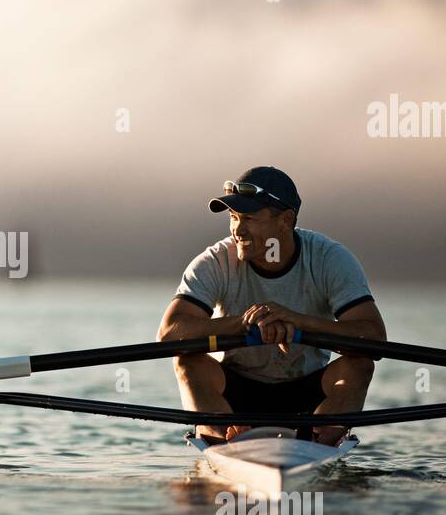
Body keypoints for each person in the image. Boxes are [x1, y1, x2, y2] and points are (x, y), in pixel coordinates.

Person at [157, 166, 386, 446]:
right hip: (235, 395)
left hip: (307, 395)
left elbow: (373, 336)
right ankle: (223, 434)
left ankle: (319, 439)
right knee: (187, 359)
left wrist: (298, 322)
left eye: (250, 218)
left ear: (285, 220)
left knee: (360, 363)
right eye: (233, 217)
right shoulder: (215, 262)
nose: (237, 229)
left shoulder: (330, 259)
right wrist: (243, 323)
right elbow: (169, 334)